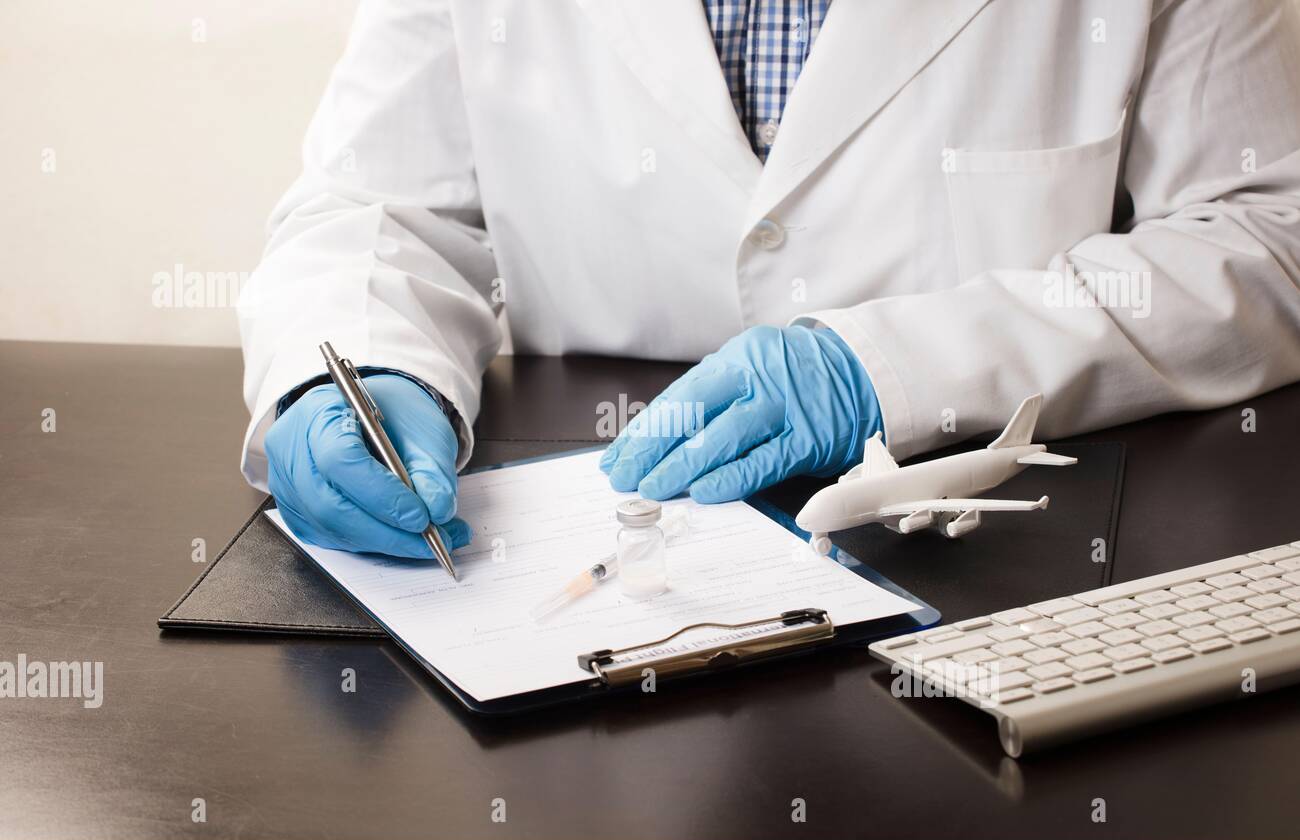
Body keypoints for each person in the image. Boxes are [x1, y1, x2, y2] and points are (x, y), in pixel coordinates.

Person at [240, 0, 1300, 559]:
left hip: (995, 566)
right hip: (602, 617)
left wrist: (896, 366)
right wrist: (361, 366)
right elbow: (379, 206)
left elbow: (1272, 232)